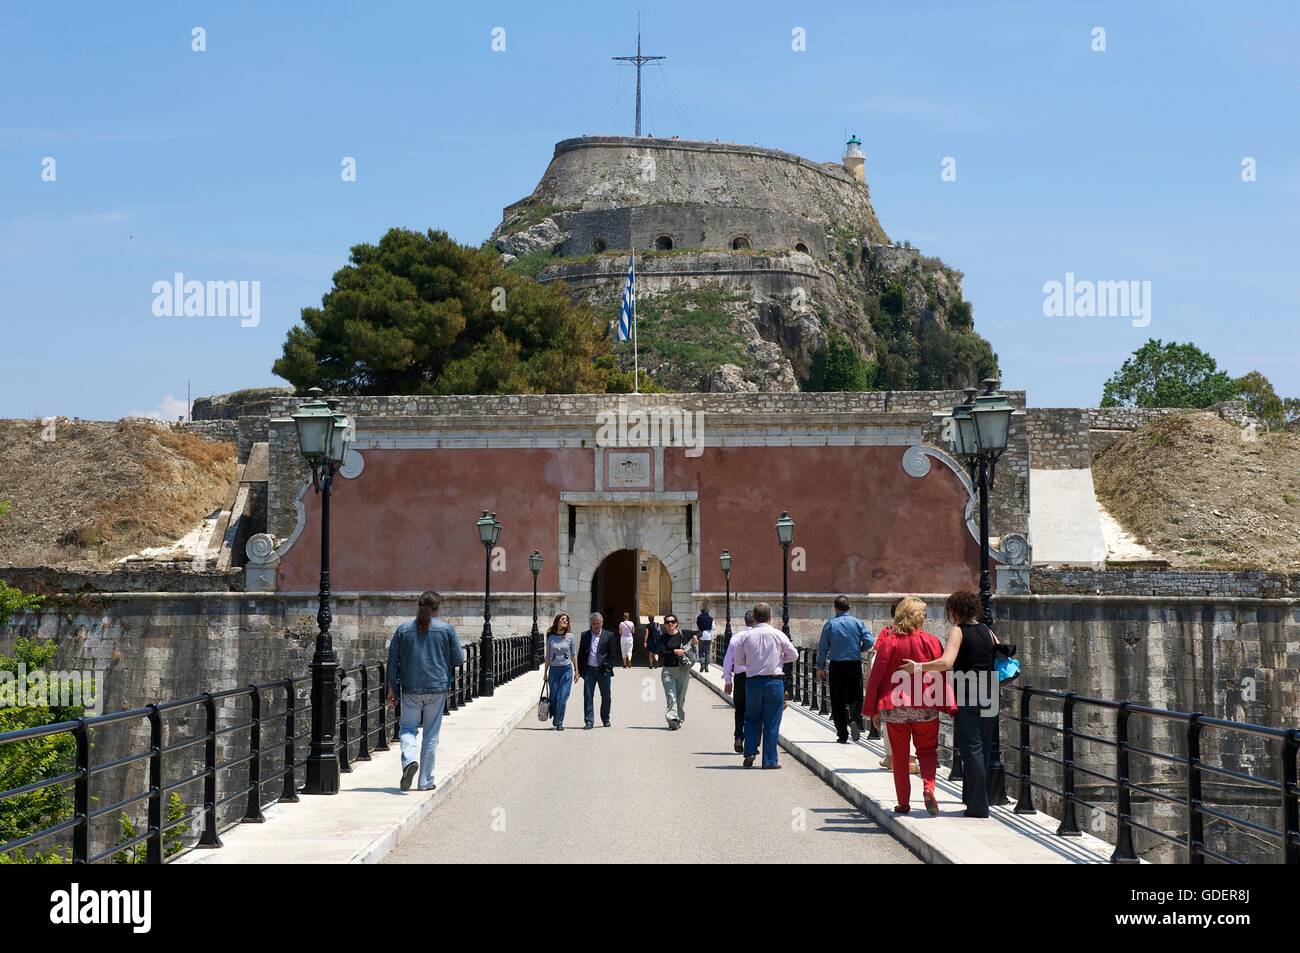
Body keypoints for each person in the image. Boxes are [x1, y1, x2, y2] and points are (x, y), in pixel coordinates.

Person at [901, 590, 999, 818]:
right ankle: (974, 799)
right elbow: (999, 653)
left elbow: (947, 662)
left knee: (971, 748)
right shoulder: (988, 631)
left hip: (968, 691)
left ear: (954, 611)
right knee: (983, 748)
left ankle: (978, 806)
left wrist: (918, 667)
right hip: (991, 690)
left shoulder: (958, 630)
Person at [863, 596, 954, 815]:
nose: (925, 616)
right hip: (925, 704)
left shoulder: (889, 642)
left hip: (896, 707)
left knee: (900, 757)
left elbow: (877, 676)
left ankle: (903, 802)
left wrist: (874, 709)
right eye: (922, 613)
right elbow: (941, 672)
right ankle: (929, 788)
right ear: (915, 616)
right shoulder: (931, 641)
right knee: (927, 751)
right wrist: (948, 703)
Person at [386, 591, 465, 791]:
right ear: (438, 608)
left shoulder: (403, 630)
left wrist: (393, 689)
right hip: (438, 687)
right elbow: (459, 659)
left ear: (418, 606)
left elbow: (392, 664)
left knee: (407, 728)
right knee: (431, 734)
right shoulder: (446, 629)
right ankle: (425, 782)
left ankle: (409, 761)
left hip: (411, 688)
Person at [731, 602, 798, 768]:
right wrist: (780, 659)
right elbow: (794, 655)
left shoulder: (745, 637)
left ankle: (750, 751)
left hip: (752, 681)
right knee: (772, 721)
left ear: (753, 617)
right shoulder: (779, 635)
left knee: (751, 718)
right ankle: (769, 760)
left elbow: (738, 660)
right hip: (774, 681)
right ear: (770, 618)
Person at [815, 595, 874, 744]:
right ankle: (854, 719)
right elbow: (870, 641)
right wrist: (859, 649)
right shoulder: (857, 623)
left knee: (837, 699)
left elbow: (822, 648)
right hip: (853, 663)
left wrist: (820, 667)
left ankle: (842, 734)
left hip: (836, 665)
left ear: (835, 608)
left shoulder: (830, 625)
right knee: (856, 696)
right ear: (849, 607)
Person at [577, 612, 619, 729]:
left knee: (606, 696)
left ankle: (605, 718)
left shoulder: (609, 635)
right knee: (588, 696)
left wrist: (608, 667)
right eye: (594, 624)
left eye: (598, 623)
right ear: (591, 623)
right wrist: (581, 671)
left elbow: (613, 654)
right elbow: (581, 654)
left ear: (602, 623)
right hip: (589, 670)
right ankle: (589, 721)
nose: (596, 626)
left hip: (603, 670)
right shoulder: (585, 635)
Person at [722, 609, 756, 754]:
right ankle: (751, 742)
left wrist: (728, 680)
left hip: (740, 677)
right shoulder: (757, 636)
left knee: (740, 710)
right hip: (755, 677)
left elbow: (727, 660)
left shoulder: (736, 637)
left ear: (745, 621)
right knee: (753, 712)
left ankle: (738, 737)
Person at [658, 614, 696, 730]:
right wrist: (674, 651)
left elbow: (698, 632)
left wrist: (695, 637)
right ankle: (672, 719)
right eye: (668, 622)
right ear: (665, 624)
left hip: (683, 670)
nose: (670, 624)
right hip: (668, 671)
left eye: (672, 621)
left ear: (676, 623)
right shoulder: (662, 638)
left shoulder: (683, 634)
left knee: (680, 697)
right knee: (671, 695)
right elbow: (662, 653)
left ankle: (678, 717)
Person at [542, 612, 577, 730]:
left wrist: (577, 671)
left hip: (566, 669)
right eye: (563, 619)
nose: (565, 621)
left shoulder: (570, 637)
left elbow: (573, 655)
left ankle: (559, 722)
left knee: (562, 696)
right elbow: (547, 656)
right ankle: (555, 714)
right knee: (554, 696)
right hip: (554, 670)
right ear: (557, 621)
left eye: (567, 620)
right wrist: (545, 673)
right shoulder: (551, 637)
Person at [695, 604, 714, 672]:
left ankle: (702, 664)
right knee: (707, 652)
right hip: (708, 636)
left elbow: (697, 625)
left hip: (701, 635)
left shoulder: (699, 617)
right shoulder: (711, 618)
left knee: (701, 651)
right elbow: (713, 627)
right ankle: (706, 667)